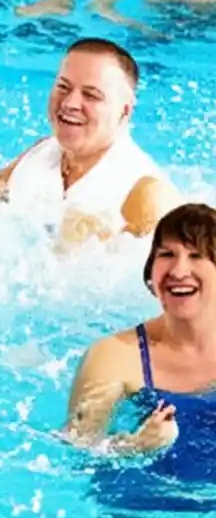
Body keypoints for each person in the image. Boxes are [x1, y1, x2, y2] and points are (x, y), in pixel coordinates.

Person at [0, 38, 178, 242]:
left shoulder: (145, 194)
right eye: (63, 87)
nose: (71, 103)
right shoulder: (45, 152)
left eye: (91, 95)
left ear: (124, 111)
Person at [64, 203, 216, 482]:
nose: (179, 271)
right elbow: (77, 450)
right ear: (151, 273)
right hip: (145, 505)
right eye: (167, 255)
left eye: (196, 256)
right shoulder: (116, 356)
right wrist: (135, 447)